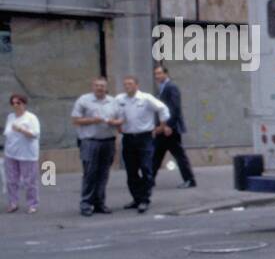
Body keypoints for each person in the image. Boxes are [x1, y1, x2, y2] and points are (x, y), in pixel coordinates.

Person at [116, 75, 171, 214]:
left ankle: (145, 199)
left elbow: (163, 108)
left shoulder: (146, 98)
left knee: (146, 168)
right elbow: (113, 114)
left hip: (144, 138)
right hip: (128, 138)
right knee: (131, 171)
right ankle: (136, 198)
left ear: (136, 85)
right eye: (125, 84)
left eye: (130, 84)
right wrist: (117, 126)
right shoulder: (120, 99)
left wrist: (162, 125)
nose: (127, 86)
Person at [71, 77, 123, 216]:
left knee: (103, 174)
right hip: (90, 141)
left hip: (108, 141)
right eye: (97, 85)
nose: (99, 88)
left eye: (102, 86)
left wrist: (115, 122)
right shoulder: (84, 100)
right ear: (92, 87)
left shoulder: (113, 101)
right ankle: (86, 204)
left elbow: (121, 120)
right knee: (90, 173)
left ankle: (100, 203)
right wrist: (93, 120)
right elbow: (75, 120)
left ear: (106, 87)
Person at [152, 65, 196, 188]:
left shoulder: (171, 87)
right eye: (156, 74)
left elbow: (175, 108)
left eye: (160, 73)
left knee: (177, 155)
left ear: (166, 74)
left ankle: (190, 180)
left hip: (171, 129)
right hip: (164, 127)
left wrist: (169, 125)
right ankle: (149, 180)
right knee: (157, 154)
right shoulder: (161, 88)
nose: (157, 76)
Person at [4, 93, 40, 214]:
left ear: (24, 104)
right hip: (11, 154)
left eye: (18, 103)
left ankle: (32, 204)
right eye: (13, 103)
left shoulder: (31, 118)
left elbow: (35, 134)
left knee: (29, 181)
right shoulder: (10, 117)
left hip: (27, 155)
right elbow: (7, 134)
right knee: (11, 181)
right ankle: (13, 203)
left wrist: (21, 129)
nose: (15, 105)